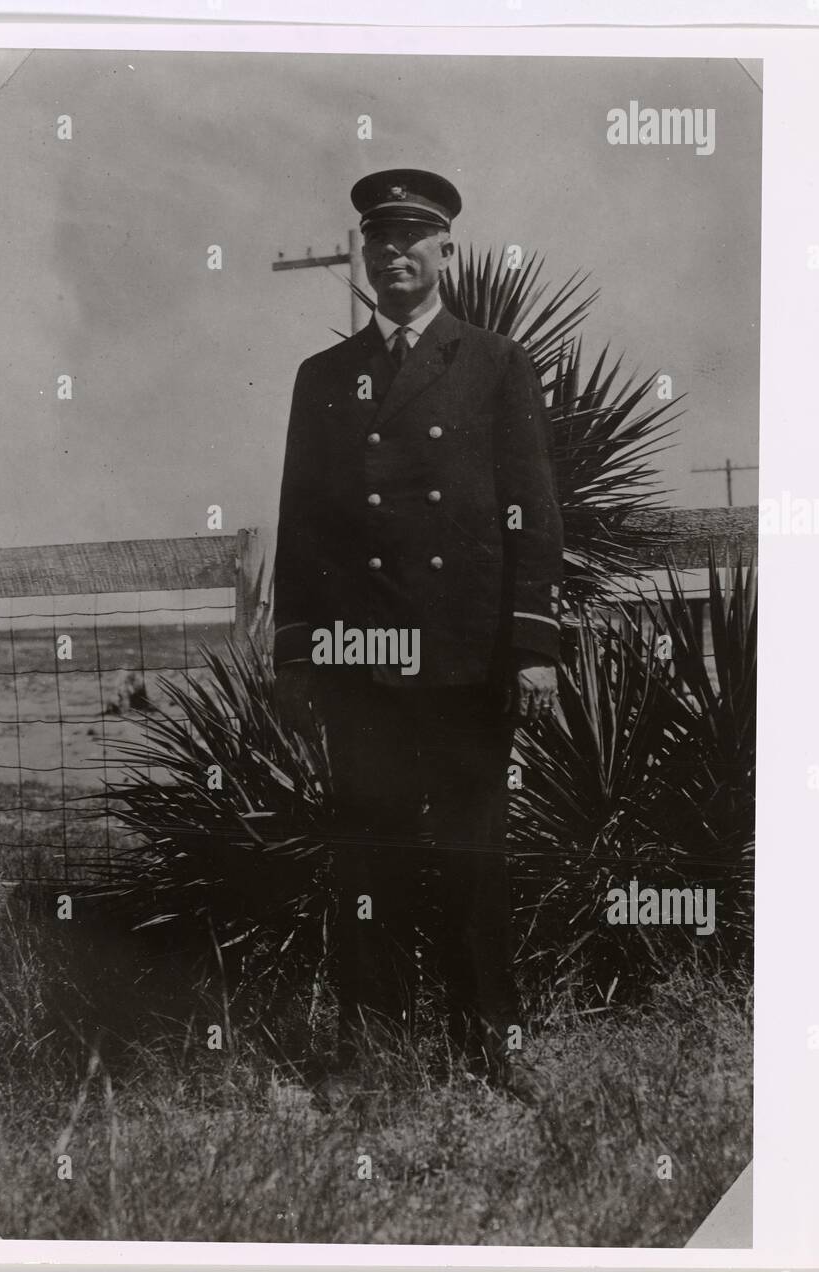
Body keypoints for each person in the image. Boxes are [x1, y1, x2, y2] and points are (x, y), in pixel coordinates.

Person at [273, 168, 564, 1105]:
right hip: (361, 666)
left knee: (475, 857)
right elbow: (303, 524)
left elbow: (534, 510)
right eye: (379, 240)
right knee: (369, 858)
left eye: (414, 240)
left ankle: (495, 1043)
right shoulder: (322, 379)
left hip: (464, 655)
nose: (394, 254)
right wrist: (297, 652)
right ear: (363, 254)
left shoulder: (494, 364)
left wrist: (532, 648)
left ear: (446, 252)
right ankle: (373, 1049)